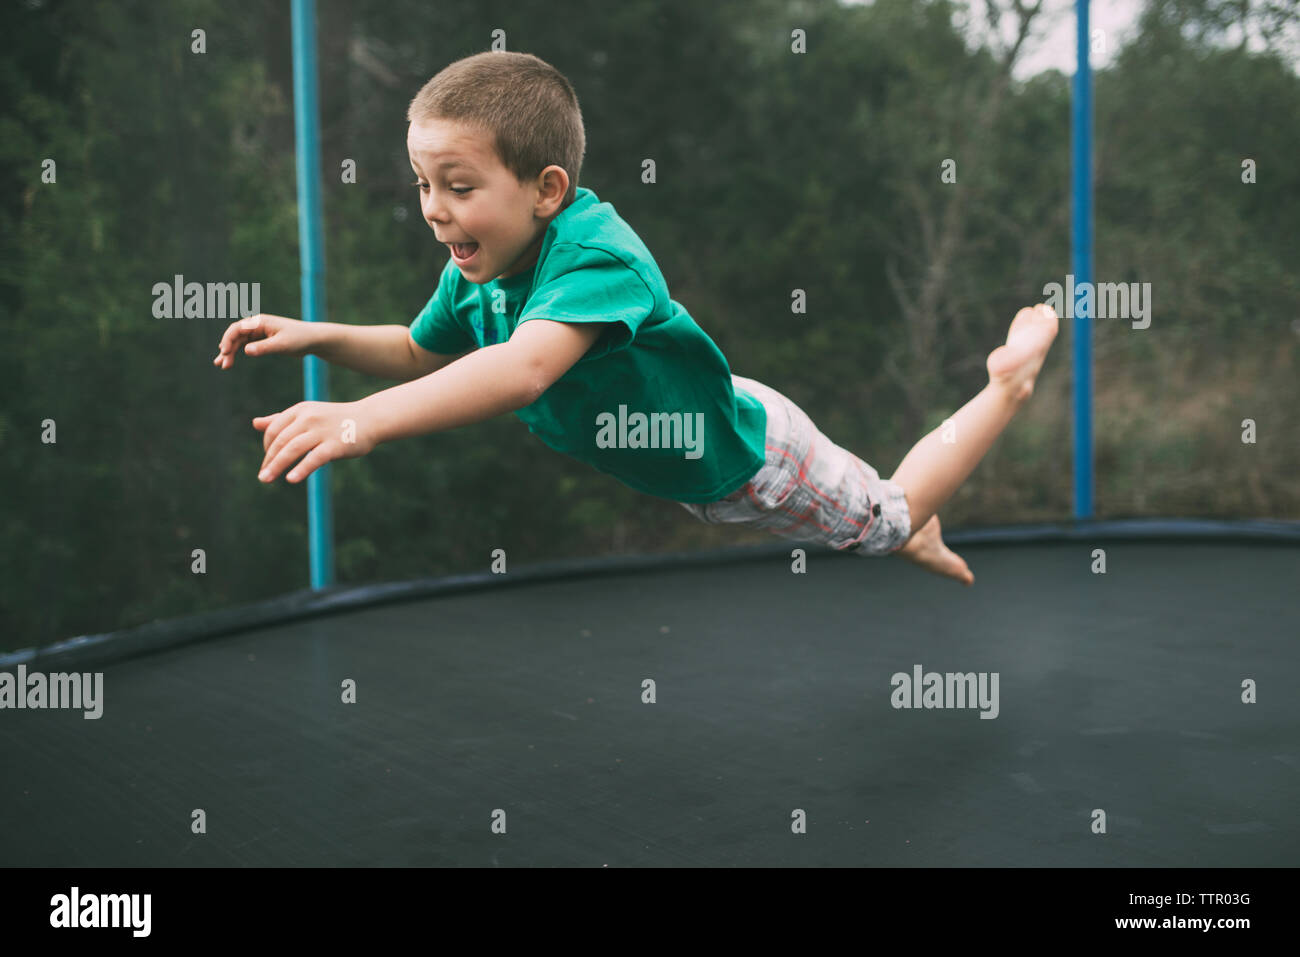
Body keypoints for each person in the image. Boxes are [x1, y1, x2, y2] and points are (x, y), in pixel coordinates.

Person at [213, 51, 1057, 586]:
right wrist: (314, 335)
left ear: (546, 189)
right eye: (423, 185)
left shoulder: (595, 254)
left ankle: (1004, 383)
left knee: (891, 519)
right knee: (871, 509)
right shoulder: (478, 268)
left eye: (459, 186)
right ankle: (895, 516)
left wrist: (362, 422)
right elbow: (413, 348)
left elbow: (524, 370)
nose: (434, 210)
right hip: (704, 425)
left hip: (752, 461)